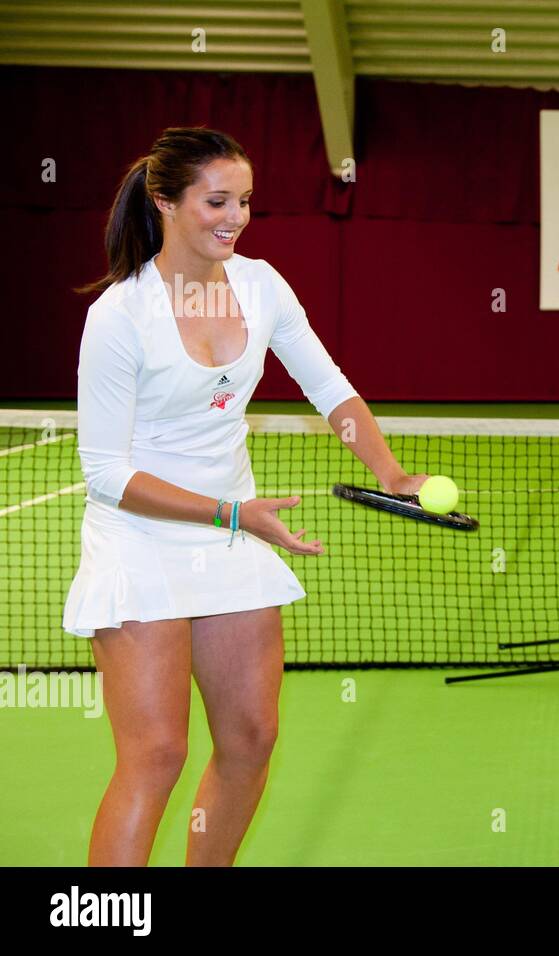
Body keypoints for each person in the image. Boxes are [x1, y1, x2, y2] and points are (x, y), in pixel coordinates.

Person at [64, 127, 427, 866]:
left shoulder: (262, 286)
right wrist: (235, 514)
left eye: (246, 201)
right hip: (141, 536)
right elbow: (106, 472)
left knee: (252, 738)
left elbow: (328, 388)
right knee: (158, 753)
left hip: (229, 536)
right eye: (217, 201)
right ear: (165, 202)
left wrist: (392, 473)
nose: (236, 217)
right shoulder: (119, 317)